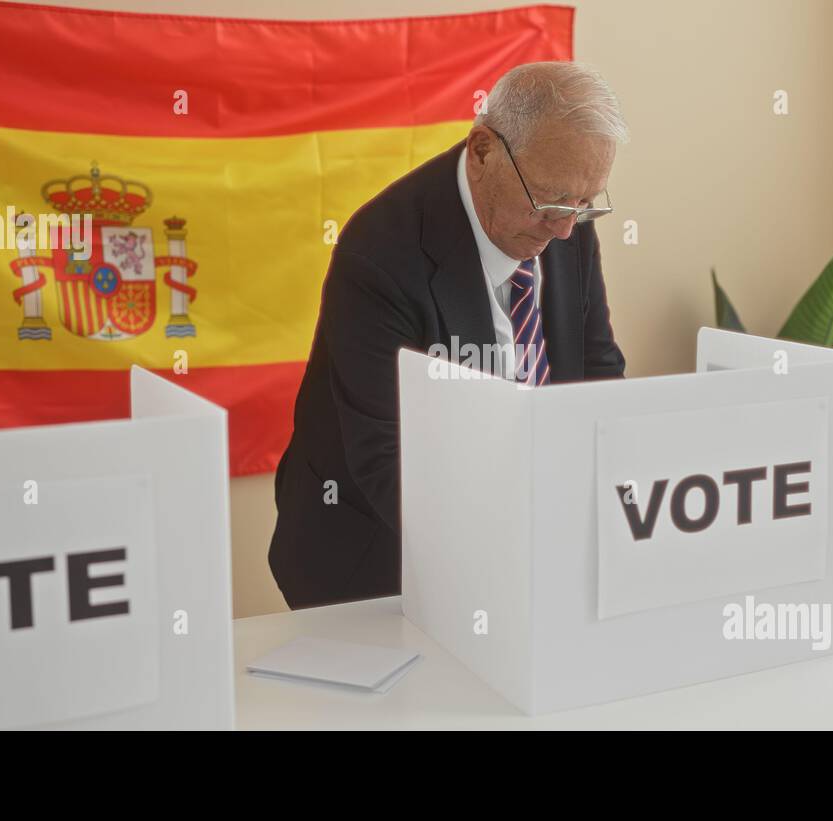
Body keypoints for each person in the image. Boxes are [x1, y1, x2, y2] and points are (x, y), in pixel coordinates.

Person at [269, 61, 629, 609]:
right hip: (374, 558)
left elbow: (596, 370)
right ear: (483, 150)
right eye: (552, 202)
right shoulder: (381, 254)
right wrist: (512, 557)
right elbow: (389, 459)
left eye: (584, 204)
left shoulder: (564, 215)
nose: (563, 228)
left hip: (519, 541)